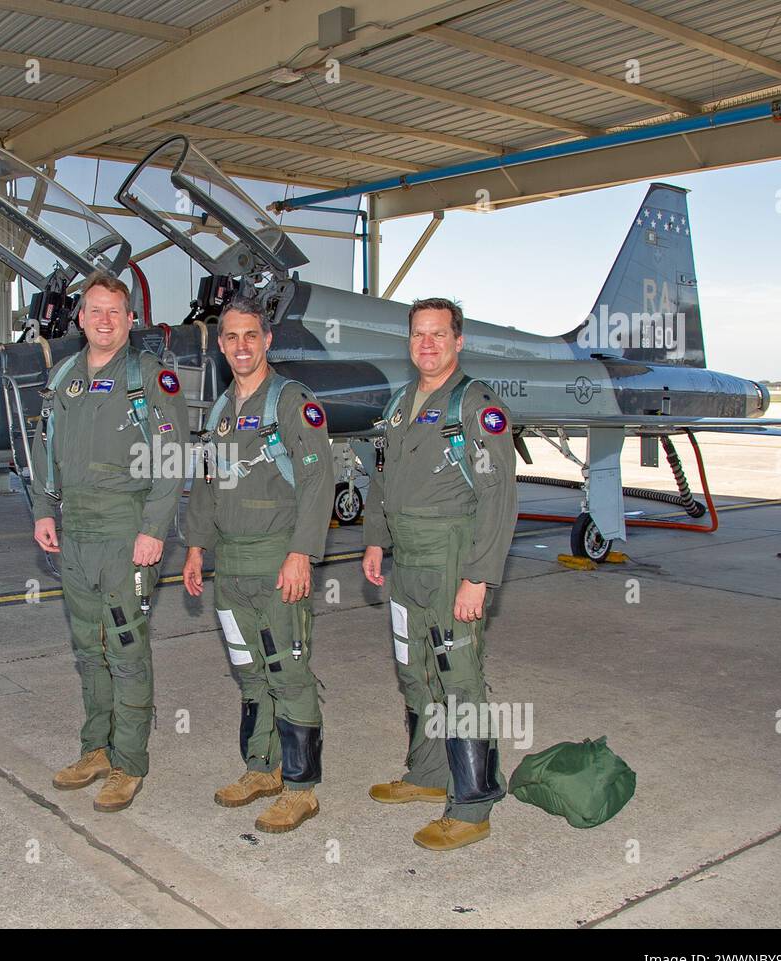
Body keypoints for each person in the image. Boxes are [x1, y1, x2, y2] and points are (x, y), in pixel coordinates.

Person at [361, 297, 518, 851]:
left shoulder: (474, 406)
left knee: (459, 680)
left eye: (438, 335)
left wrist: (479, 576)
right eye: (417, 335)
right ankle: (429, 775)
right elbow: (381, 478)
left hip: (453, 556)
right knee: (414, 670)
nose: (426, 344)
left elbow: (500, 495)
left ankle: (473, 802)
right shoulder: (401, 402)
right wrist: (376, 539)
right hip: (407, 559)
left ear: (458, 341)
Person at [30, 271, 188, 812]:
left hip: (127, 528)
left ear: (129, 319)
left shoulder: (150, 378)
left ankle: (129, 763)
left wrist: (154, 529)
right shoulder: (65, 378)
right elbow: (43, 449)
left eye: (114, 312)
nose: (104, 320)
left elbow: (172, 460)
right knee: (87, 648)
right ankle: (94, 748)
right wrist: (42, 511)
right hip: (74, 530)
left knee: (124, 647)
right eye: (95, 311)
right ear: (80, 317)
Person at [183, 295, 333, 834]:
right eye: (231, 338)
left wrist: (301, 553)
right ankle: (259, 768)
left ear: (267, 340)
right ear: (221, 346)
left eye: (251, 336)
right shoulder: (223, 410)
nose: (241, 346)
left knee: (289, 674)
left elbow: (320, 480)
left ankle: (300, 789)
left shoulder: (293, 401)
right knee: (250, 673)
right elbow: (206, 483)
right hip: (232, 567)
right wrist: (197, 548)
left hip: (276, 560)